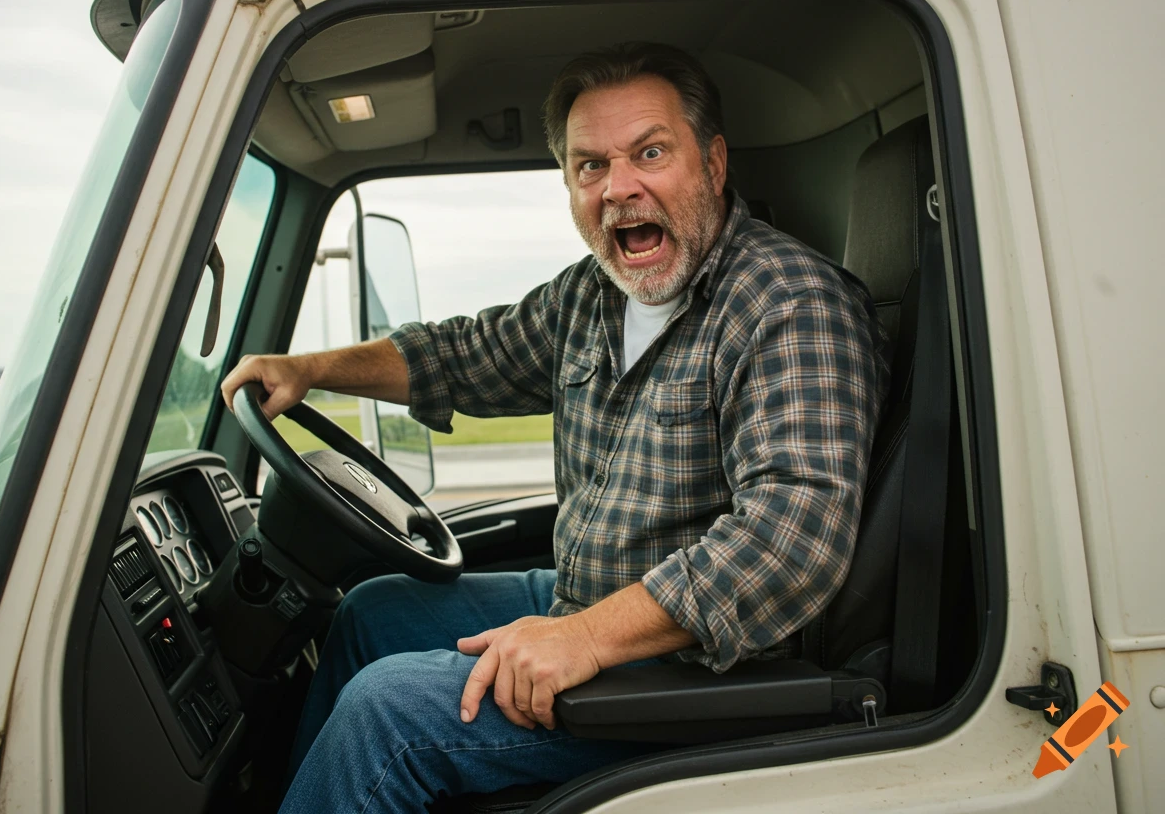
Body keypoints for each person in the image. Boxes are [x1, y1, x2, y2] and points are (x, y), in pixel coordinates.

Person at [220, 42, 890, 813]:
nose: (619, 188)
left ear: (712, 164)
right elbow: (463, 356)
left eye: (650, 153)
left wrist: (586, 639)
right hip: (583, 597)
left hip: (704, 670)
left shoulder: (789, 304)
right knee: (374, 612)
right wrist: (310, 369)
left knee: (387, 710)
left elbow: (790, 538)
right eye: (590, 166)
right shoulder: (595, 295)